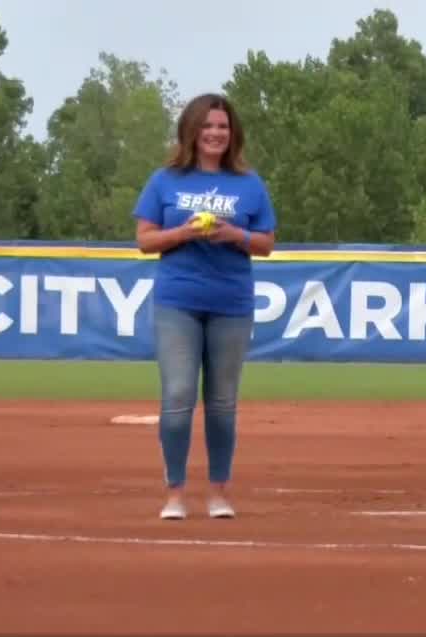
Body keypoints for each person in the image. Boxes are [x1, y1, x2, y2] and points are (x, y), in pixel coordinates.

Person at [132, 93, 277, 520]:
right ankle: (174, 492)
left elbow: (266, 244)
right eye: (208, 126)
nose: (216, 133)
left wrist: (236, 235)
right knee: (178, 395)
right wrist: (185, 233)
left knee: (222, 402)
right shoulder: (165, 180)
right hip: (179, 300)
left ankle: (219, 492)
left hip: (231, 301)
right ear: (191, 131)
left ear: (233, 135)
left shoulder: (249, 184)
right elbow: (145, 240)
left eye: (223, 127)